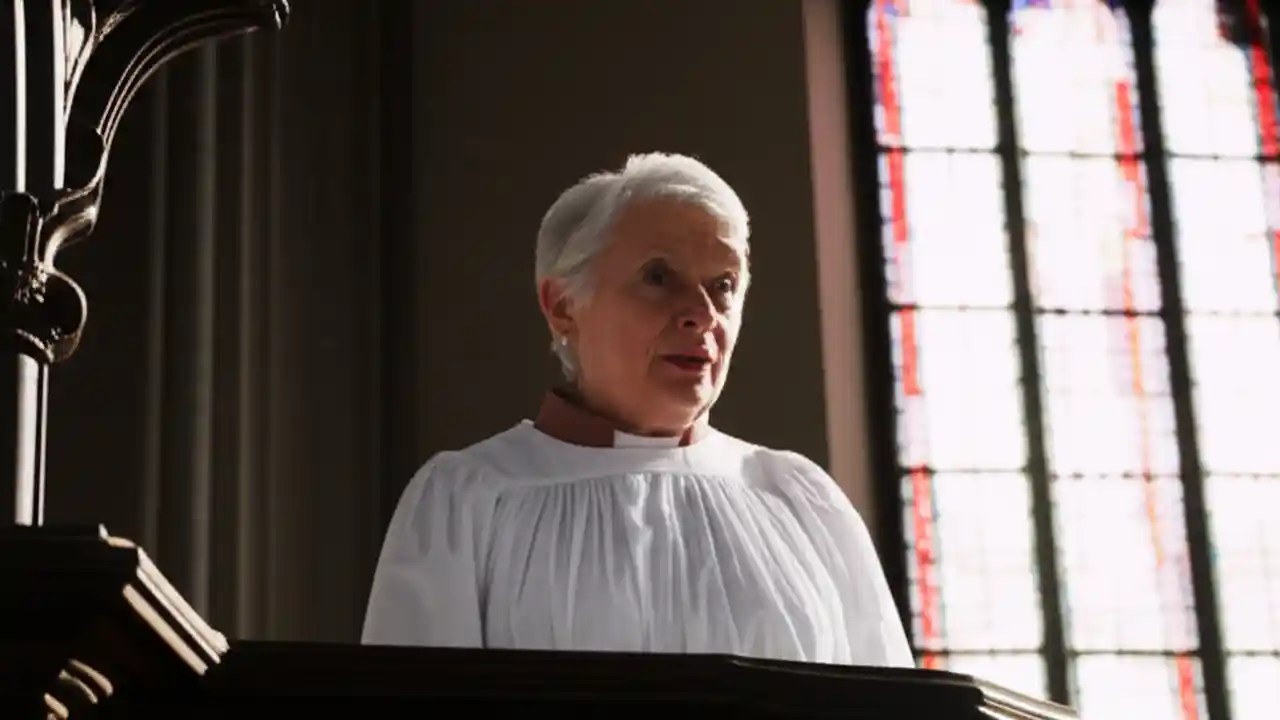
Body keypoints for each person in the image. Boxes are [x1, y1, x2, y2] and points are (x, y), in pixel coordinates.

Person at [360, 152, 914, 668]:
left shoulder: (797, 500)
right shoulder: (468, 500)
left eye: (723, 286)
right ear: (563, 305)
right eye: (658, 278)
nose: (701, 313)